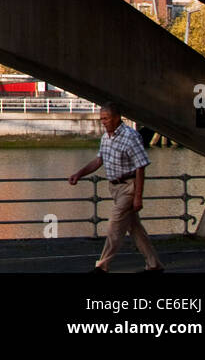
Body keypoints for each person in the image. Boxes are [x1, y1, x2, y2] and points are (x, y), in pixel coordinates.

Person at [69, 102, 164, 272]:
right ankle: (154, 264)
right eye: (101, 119)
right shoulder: (106, 137)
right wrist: (79, 174)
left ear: (117, 118)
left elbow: (140, 167)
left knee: (115, 224)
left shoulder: (131, 137)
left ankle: (102, 266)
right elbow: (99, 160)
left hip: (129, 186)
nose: (103, 122)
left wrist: (138, 197)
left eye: (106, 118)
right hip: (115, 187)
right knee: (135, 229)